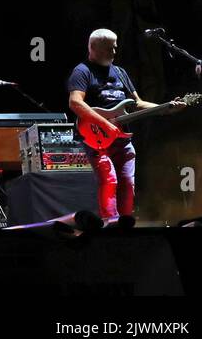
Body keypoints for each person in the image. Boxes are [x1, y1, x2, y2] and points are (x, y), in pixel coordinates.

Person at [67, 28, 158, 222]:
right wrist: (105, 124)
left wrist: (165, 108)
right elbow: (75, 102)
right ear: (92, 48)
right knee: (109, 181)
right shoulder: (82, 71)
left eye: (115, 48)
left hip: (122, 137)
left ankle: (125, 224)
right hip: (96, 137)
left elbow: (137, 103)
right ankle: (111, 224)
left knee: (127, 182)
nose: (113, 52)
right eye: (108, 49)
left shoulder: (120, 72)